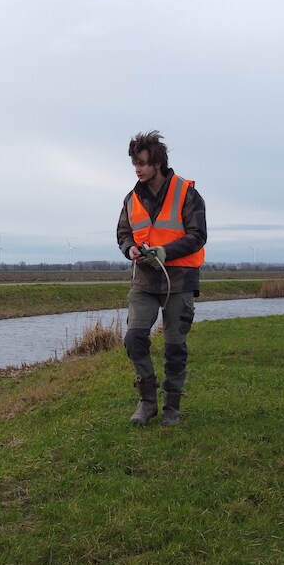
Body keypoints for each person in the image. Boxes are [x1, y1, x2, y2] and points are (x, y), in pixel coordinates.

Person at [116, 130, 207, 427]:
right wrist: (130, 248)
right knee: (134, 338)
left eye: (142, 163)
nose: (138, 169)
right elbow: (123, 233)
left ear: (158, 163)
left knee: (174, 347)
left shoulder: (187, 194)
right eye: (135, 164)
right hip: (143, 281)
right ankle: (146, 401)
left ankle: (172, 406)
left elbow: (198, 236)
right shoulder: (131, 199)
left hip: (179, 281)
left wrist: (166, 252)